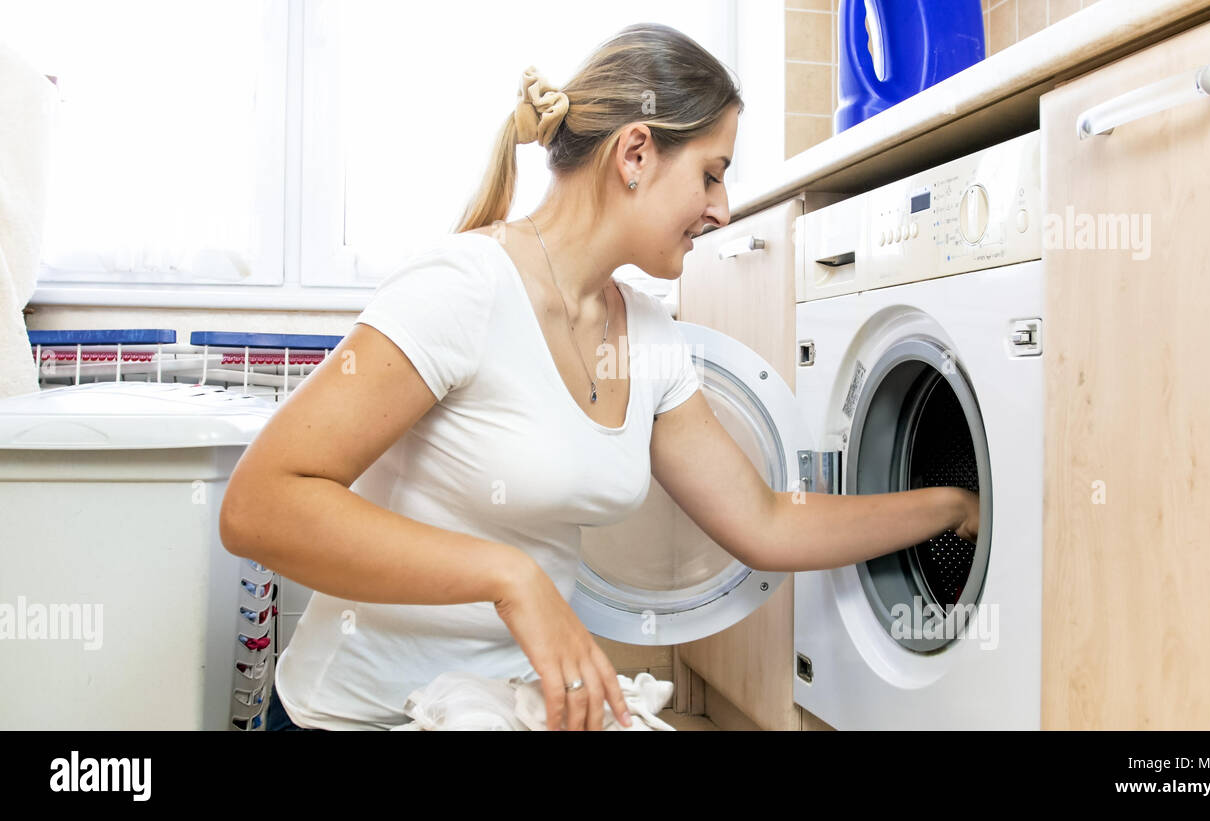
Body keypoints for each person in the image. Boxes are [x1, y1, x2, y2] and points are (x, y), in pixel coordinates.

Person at [221, 22, 980, 732]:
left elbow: (767, 521)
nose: (722, 209)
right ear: (636, 154)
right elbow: (259, 507)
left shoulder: (649, 337)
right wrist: (508, 576)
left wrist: (949, 505)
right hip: (359, 714)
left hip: (510, 709)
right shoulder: (464, 286)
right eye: (712, 174)